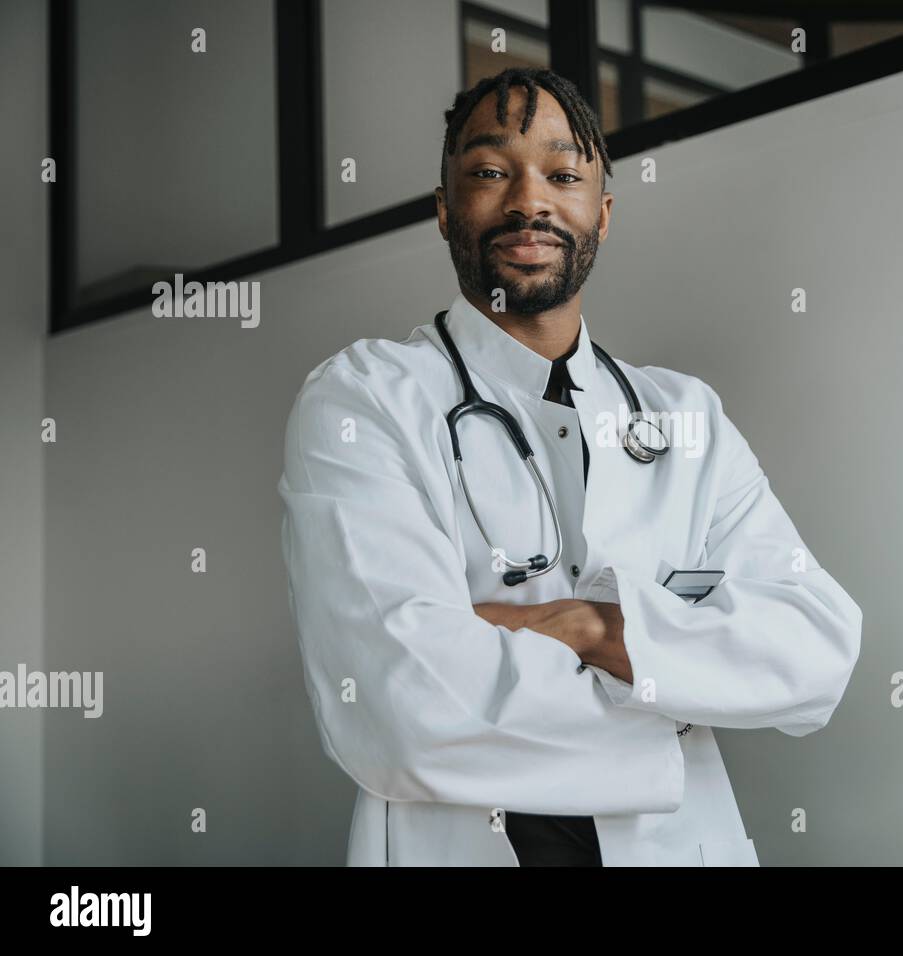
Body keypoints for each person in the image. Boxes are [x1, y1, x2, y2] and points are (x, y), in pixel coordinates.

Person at [277, 66, 862, 866]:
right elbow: (398, 705)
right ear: (445, 210)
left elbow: (814, 650)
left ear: (602, 213)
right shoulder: (365, 399)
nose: (529, 202)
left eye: (563, 174)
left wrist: (584, 626)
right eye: (489, 172)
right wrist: (674, 689)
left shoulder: (683, 416)